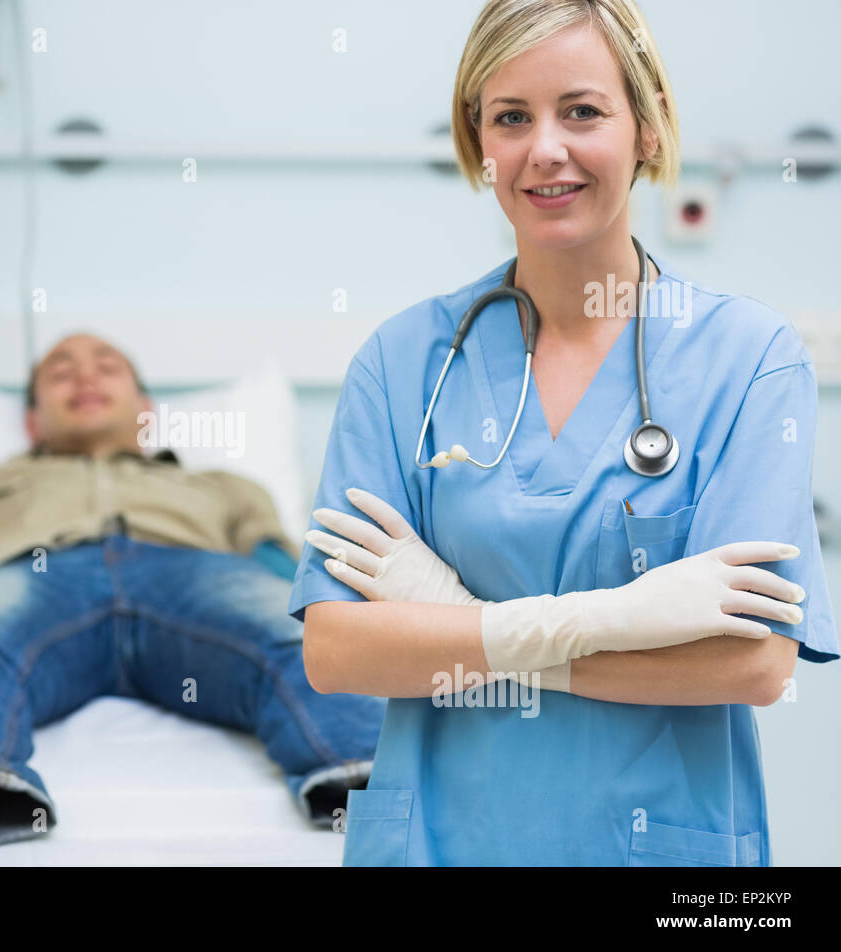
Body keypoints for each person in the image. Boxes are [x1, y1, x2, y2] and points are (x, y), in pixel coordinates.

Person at [291, 0, 837, 866]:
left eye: (582, 110)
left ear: (647, 128)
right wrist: (616, 621)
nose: (546, 148)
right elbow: (337, 649)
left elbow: (751, 666)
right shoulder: (403, 363)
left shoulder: (749, 359)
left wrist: (458, 623)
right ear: (482, 145)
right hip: (439, 843)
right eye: (511, 117)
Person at [0, 333, 381, 865]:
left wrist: (340, 616)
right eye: (60, 371)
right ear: (32, 419)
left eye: (107, 367)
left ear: (146, 409)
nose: (84, 375)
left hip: (193, 576)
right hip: (38, 576)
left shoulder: (228, 487)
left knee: (296, 641)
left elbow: (283, 570)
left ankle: (373, 784)